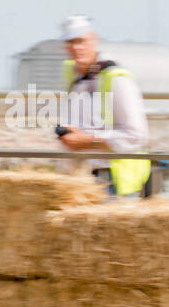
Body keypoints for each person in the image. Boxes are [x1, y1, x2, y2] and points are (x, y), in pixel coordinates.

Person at [55, 15, 153, 198]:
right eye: (70, 43)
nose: (76, 48)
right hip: (85, 180)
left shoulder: (117, 79)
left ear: (94, 40)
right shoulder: (74, 77)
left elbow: (136, 136)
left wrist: (87, 141)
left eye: (81, 41)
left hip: (118, 182)